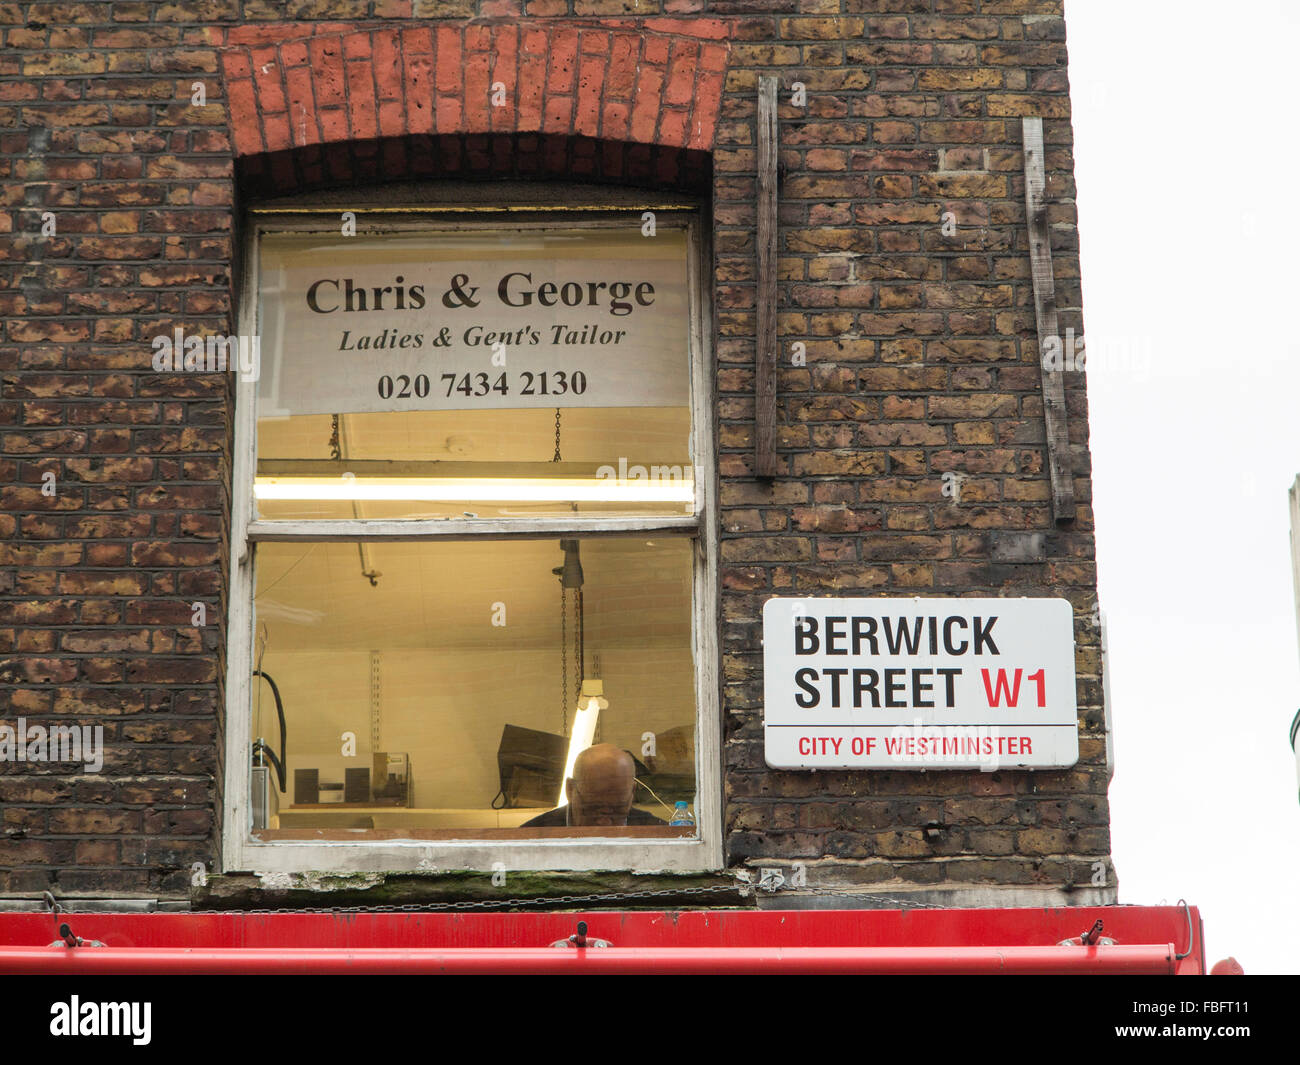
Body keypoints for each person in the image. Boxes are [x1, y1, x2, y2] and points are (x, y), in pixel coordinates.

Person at [522, 744, 666, 827]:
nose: (604, 822)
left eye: (617, 810)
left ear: (632, 791)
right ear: (570, 789)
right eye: (592, 809)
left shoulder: (656, 833)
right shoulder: (532, 837)